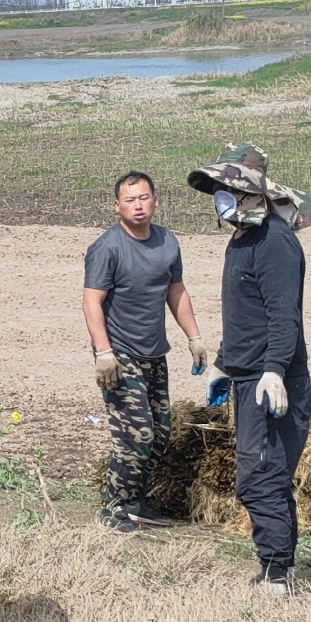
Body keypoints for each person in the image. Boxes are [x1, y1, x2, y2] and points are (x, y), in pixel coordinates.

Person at [186, 144, 311, 595]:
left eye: (228, 189)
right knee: (262, 474)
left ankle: (277, 574)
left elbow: (285, 316)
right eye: (218, 190)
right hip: (246, 377)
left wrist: (275, 370)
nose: (220, 198)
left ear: (250, 193)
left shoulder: (275, 243)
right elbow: (245, 316)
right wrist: (224, 364)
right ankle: (274, 566)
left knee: (261, 478)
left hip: (272, 382)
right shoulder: (242, 237)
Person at [81, 170, 208, 532]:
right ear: (116, 206)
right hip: (119, 354)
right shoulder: (107, 248)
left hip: (154, 353)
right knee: (136, 435)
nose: (138, 206)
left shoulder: (168, 242)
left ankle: (137, 501)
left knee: (161, 432)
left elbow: (176, 291)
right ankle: (114, 507)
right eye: (130, 200)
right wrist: (103, 352)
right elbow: (92, 303)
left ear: (156, 201)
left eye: (144, 198)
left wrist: (194, 337)